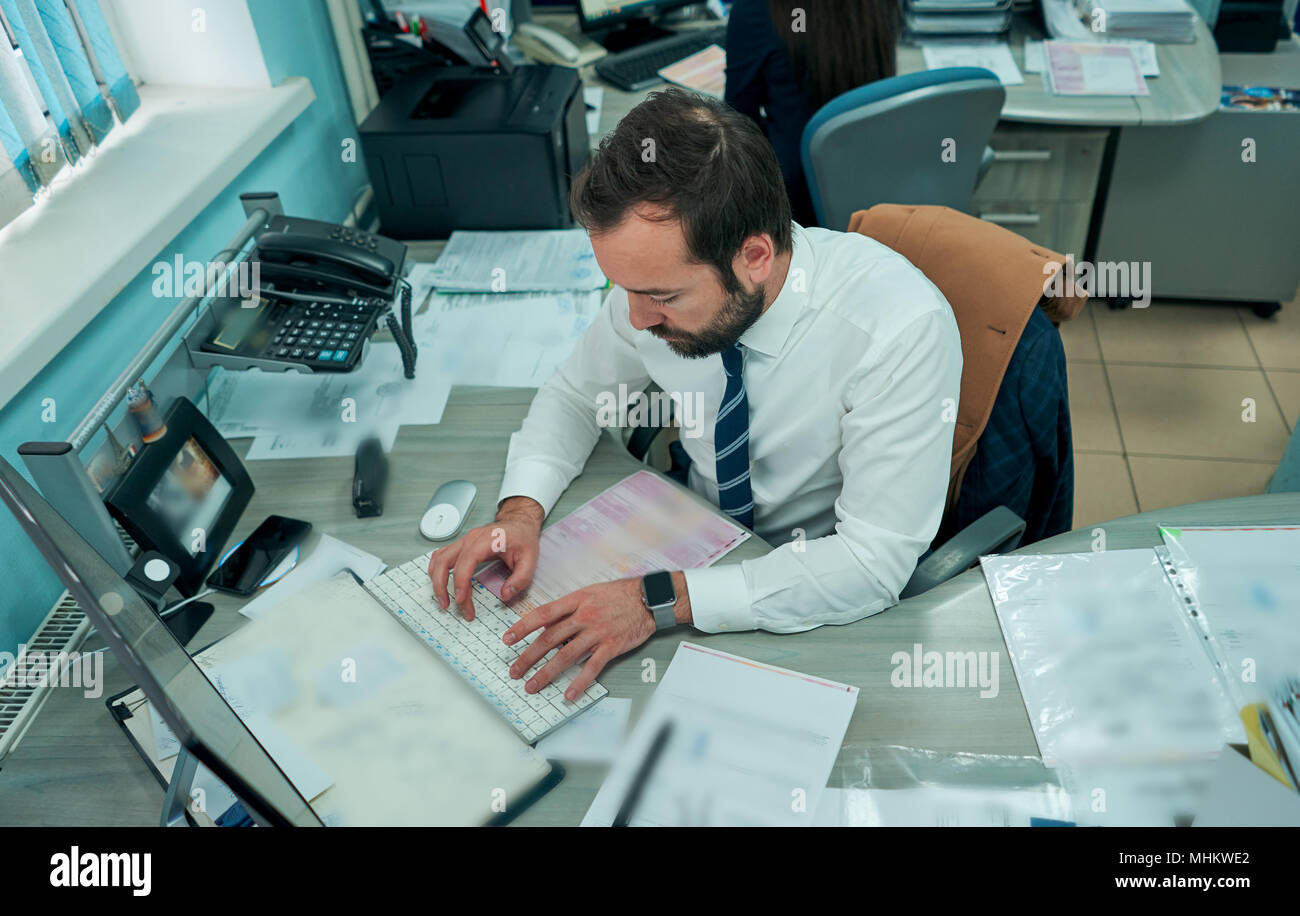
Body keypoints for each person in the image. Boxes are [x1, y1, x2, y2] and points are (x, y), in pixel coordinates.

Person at [428, 88, 962, 703]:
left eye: (661, 297)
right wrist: (518, 515)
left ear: (754, 256)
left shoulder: (898, 327)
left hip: (807, 580)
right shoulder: (651, 284)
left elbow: (871, 565)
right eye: (622, 288)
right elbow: (576, 396)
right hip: (697, 531)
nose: (634, 319)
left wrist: (655, 599)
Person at [725, 0, 902, 226]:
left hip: (793, 208)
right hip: (870, 191)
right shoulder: (875, 6)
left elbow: (736, 123)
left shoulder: (757, 10)